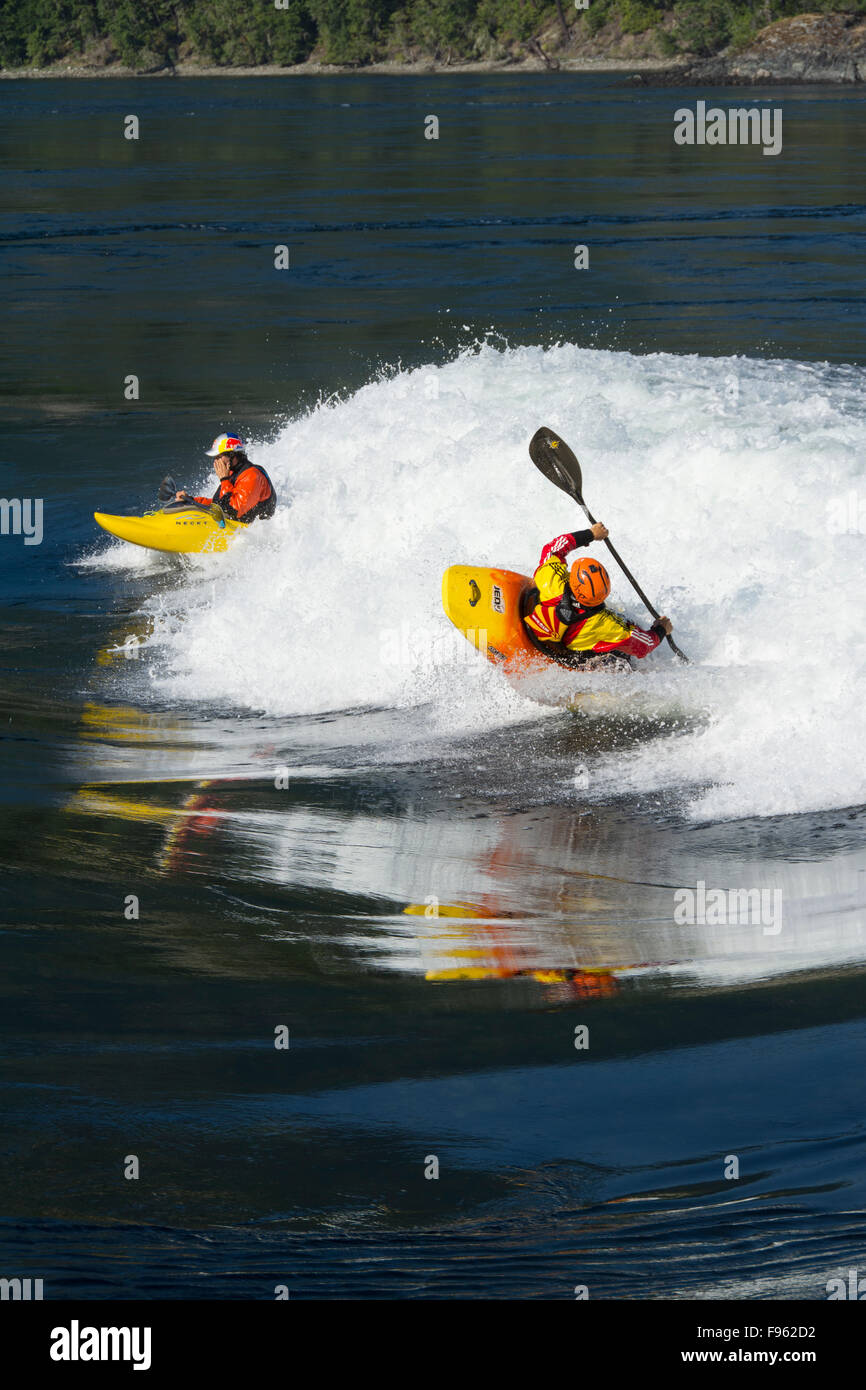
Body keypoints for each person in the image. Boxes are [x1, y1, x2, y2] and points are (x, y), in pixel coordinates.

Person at [523, 523, 672, 670]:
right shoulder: (607, 624)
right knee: (624, 652)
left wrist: (591, 534)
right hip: (571, 653)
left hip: (538, 633)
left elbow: (553, 549)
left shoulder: (552, 579)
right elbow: (644, 646)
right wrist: (661, 629)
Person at [176, 434, 276, 523]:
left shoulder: (252, 476)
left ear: (232, 455)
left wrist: (224, 480)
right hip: (237, 522)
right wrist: (191, 501)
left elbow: (231, 511)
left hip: (254, 531)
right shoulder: (233, 473)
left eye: (219, 456)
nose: (216, 461)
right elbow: (217, 504)